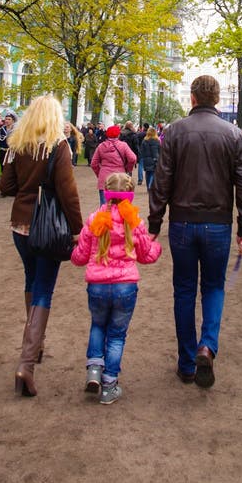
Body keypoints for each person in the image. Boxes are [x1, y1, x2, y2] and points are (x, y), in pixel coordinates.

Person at [148, 75, 242, 388]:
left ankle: (187, 362)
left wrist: (155, 222)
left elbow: (161, 180)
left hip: (182, 223)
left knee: (184, 289)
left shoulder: (175, 132)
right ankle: (207, 345)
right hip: (218, 224)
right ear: (216, 99)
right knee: (213, 287)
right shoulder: (234, 135)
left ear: (192, 98)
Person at [0, 94, 83, 398]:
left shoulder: (18, 143)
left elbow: (6, 187)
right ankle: (26, 362)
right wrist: (78, 229)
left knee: (31, 280)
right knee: (44, 288)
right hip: (47, 225)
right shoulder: (58, 145)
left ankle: (36, 346)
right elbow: (68, 191)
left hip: (20, 225)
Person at [71, 172, 161, 404]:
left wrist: (74, 251)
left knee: (98, 325)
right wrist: (156, 247)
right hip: (125, 286)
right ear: (129, 196)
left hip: (97, 286)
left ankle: (94, 369)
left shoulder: (94, 219)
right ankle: (109, 385)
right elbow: (146, 255)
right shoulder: (134, 223)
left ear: (107, 193)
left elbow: (79, 256)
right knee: (117, 335)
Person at [91, 125, 137, 206]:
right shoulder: (123, 145)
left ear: (107, 135)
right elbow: (133, 158)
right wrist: (128, 169)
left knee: (104, 207)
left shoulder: (101, 146)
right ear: (118, 135)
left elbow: (93, 163)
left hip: (104, 179)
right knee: (121, 205)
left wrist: (99, 174)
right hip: (120, 178)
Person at [140, 125, 161, 190]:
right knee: (153, 173)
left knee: (147, 173)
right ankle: (150, 186)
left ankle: (148, 186)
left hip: (146, 160)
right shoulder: (156, 141)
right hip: (153, 159)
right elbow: (156, 152)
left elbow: (142, 151)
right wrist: (157, 160)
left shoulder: (144, 141)